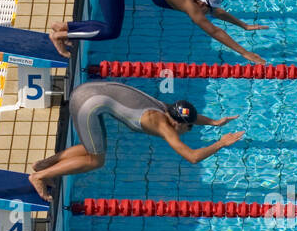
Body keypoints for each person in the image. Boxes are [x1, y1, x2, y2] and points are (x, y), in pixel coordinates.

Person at [25, 85, 243, 201]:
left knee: (93, 146)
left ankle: (43, 165)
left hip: (86, 92)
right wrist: (220, 144)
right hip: (87, 103)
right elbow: (193, 157)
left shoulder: (166, 108)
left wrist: (214, 122)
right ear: (177, 125)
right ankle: (40, 176)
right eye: (189, 127)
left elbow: (188, 116)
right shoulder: (163, 126)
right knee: (95, 160)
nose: (190, 129)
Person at [48, 0, 270, 65]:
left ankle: (63, 26)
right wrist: (245, 53)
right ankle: (60, 36)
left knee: (109, 24)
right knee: (112, 30)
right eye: (207, 9)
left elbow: (217, 13)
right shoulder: (190, 6)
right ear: (203, 3)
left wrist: (244, 25)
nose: (208, 12)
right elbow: (215, 32)